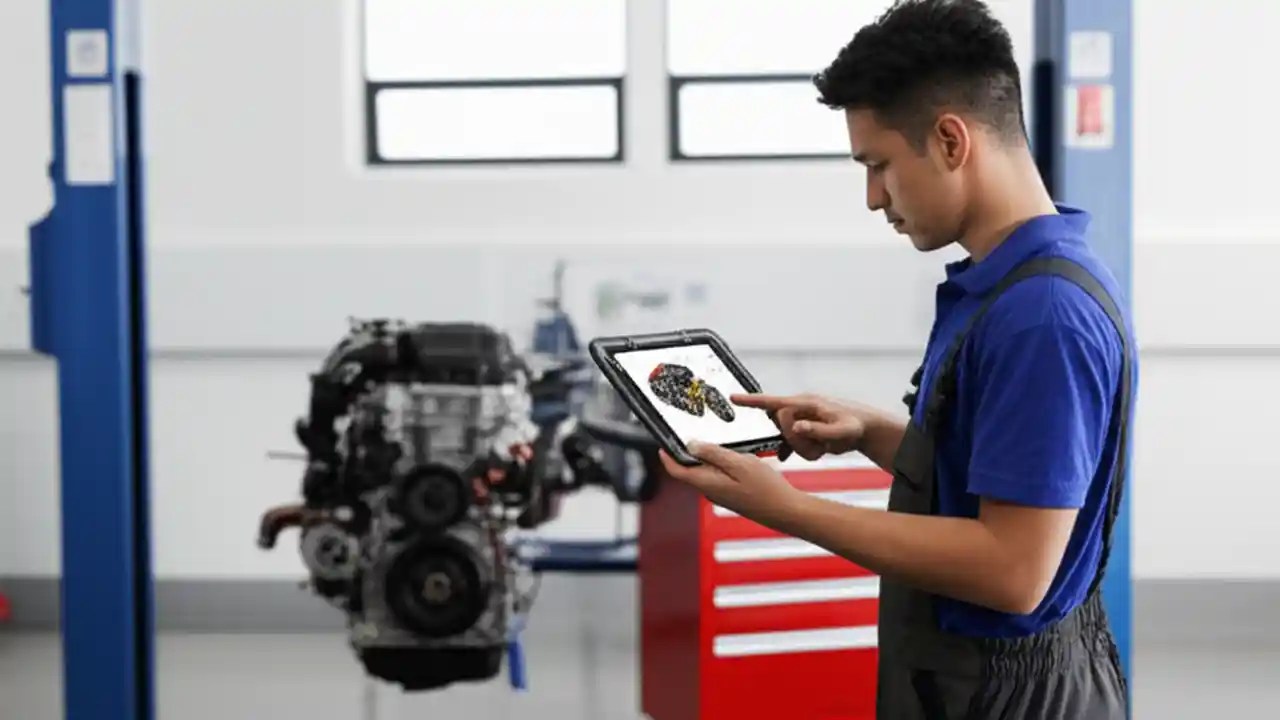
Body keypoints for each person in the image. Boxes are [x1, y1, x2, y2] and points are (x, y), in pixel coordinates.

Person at [658, 1, 1136, 718]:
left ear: (950, 140)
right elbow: (997, 477)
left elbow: (1013, 571)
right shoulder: (1008, 285)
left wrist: (789, 509)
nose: (873, 197)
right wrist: (874, 432)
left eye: (878, 165)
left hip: (1011, 697)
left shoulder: (1041, 314)